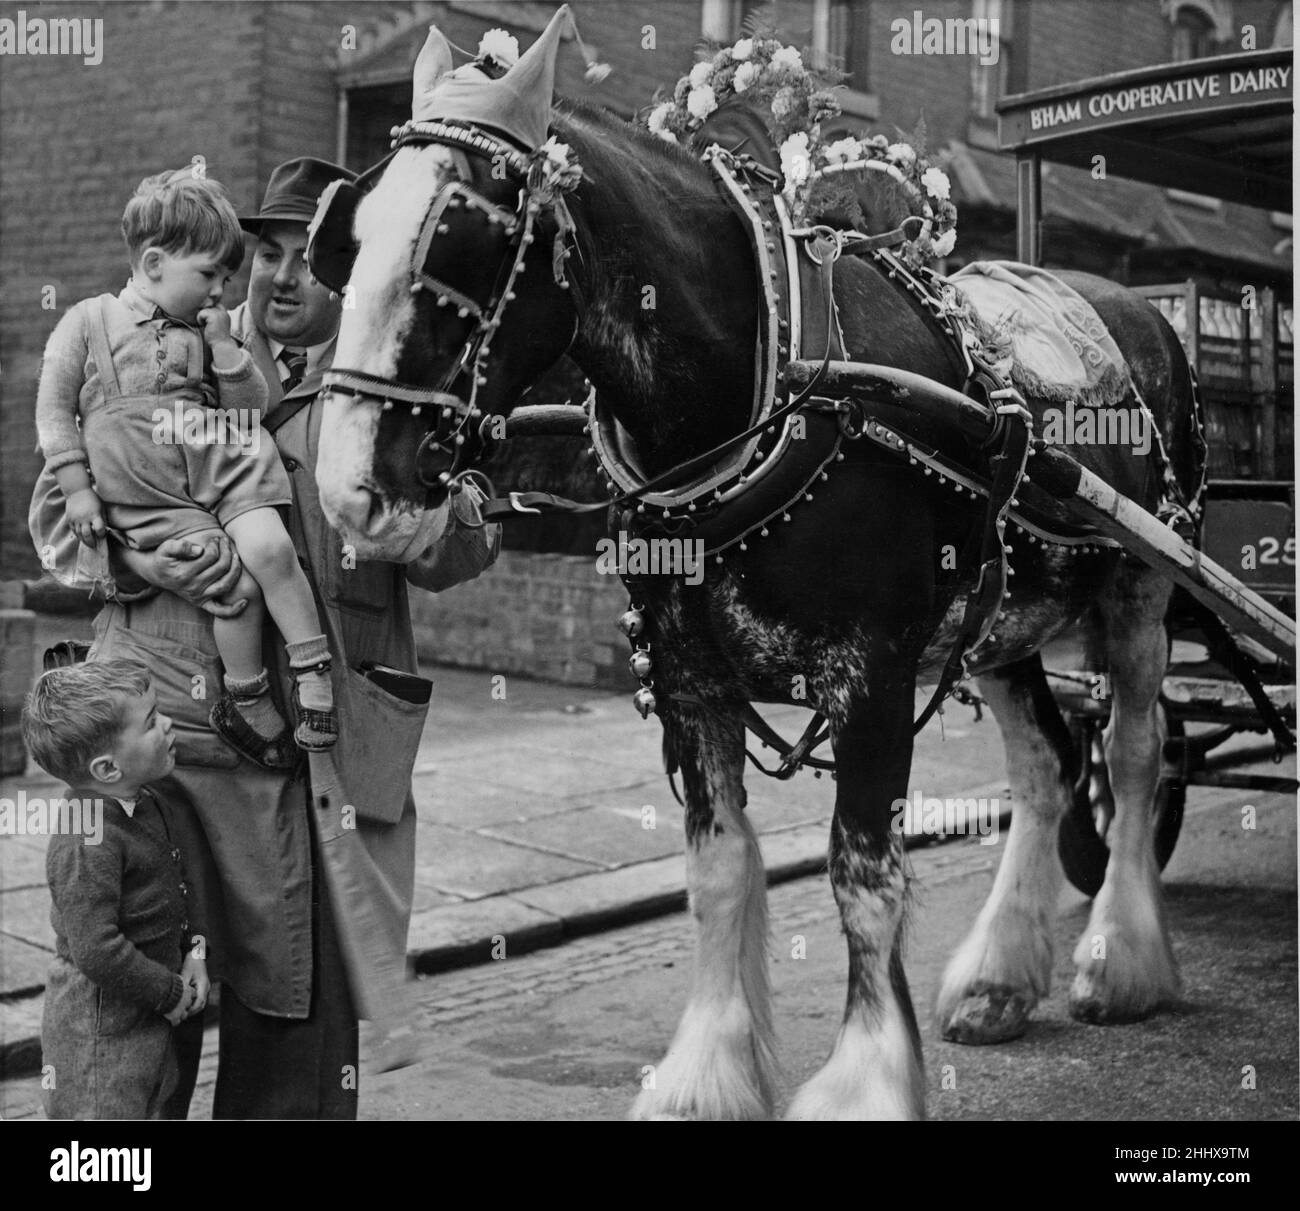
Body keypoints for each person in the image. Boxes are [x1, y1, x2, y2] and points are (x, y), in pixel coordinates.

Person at [30, 156, 500, 1118]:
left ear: (356, 274)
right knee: (130, 1005)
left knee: (296, 1011)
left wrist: (420, 510)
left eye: (313, 259)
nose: (281, 277)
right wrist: (140, 556)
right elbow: (53, 513)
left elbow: (463, 547)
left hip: (308, 758)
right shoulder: (159, 344)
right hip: (151, 738)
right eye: (267, 253)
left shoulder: (394, 386)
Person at [34, 168, 336, 767]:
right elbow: (51, 413)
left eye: (227, 276)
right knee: (233, 586)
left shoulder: (214, 333)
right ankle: (247, 700)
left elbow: (251, 412)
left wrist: (226, 351)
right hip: (157, 523)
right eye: (211, 275)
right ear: (152, 265)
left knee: (265, 558)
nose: (222, 291)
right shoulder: (89, 325)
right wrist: (80, 491)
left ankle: (312, 677)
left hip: (219, 467)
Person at [21, 660, 209, 1120]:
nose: (167, 724)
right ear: (107, 768)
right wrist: (169, 994)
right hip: (99, 1032)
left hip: (149, 1016)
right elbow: (96, 949)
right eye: (150, 722)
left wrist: (194, 955)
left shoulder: (146, 802)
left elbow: (178, 888)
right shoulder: (86, 839)